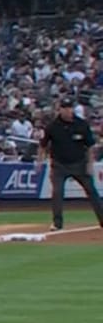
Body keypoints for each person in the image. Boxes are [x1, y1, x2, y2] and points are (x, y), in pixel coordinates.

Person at [39, 96, 103, 231]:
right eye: (65, 108)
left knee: (92, 192)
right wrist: (40, 161)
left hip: (79, 163)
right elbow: (43, 145)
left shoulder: (81, 124)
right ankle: (57, 223)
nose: (68, 111)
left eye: (70, 108)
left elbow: (90, 145)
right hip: (59, 164)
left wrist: (90, 164)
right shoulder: (52, 126)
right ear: (60, 109)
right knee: (57, 192)